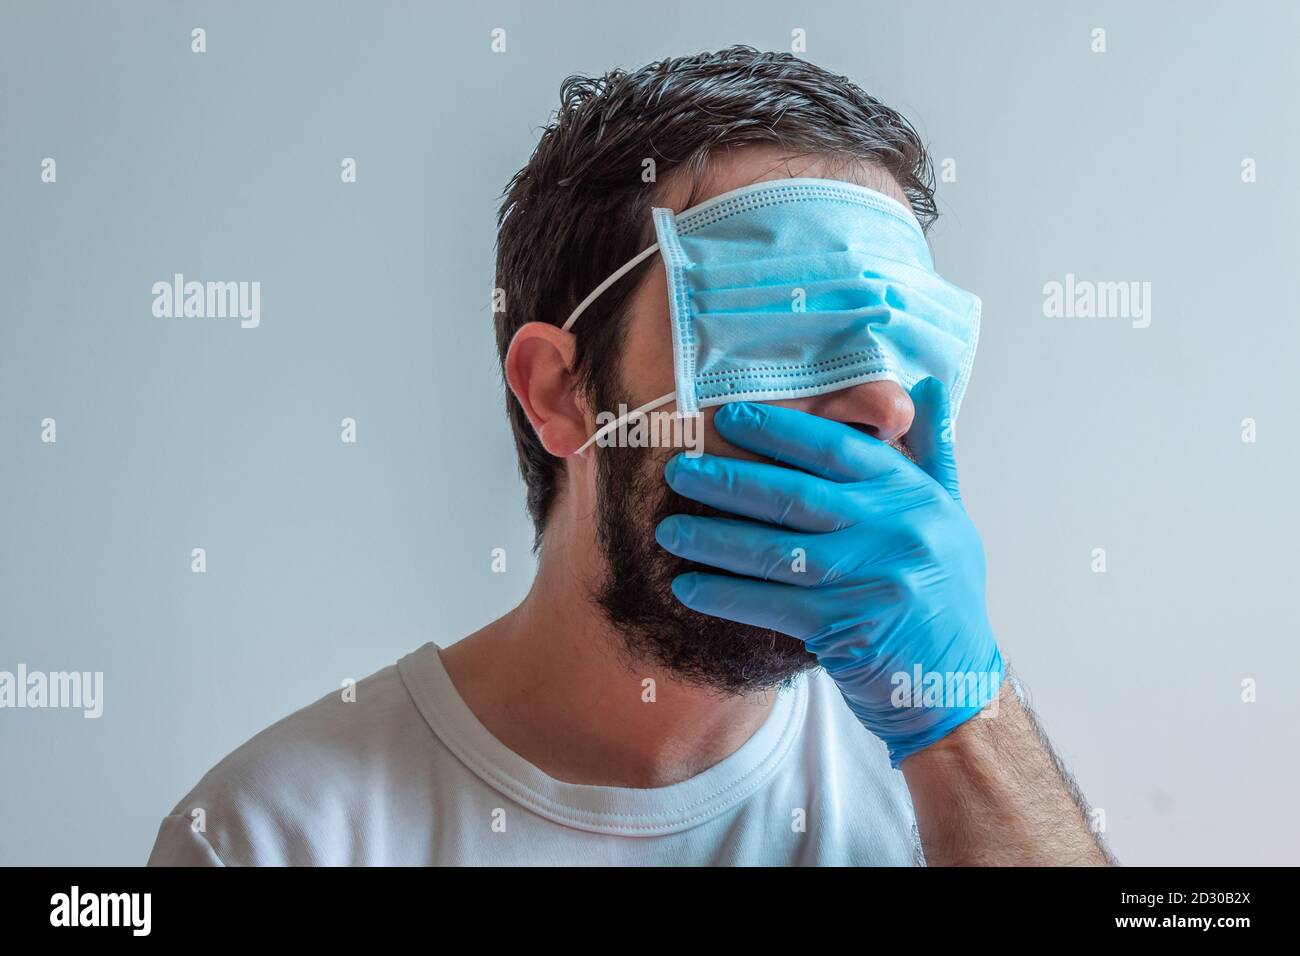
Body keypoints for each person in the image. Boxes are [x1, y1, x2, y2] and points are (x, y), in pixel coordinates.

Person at [148, 46, 1114, 866]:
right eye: (783, 328)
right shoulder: (277, 838)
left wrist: (962, 714)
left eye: (906, 344)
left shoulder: (960, 800)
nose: (883, 404)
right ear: (561, 392)